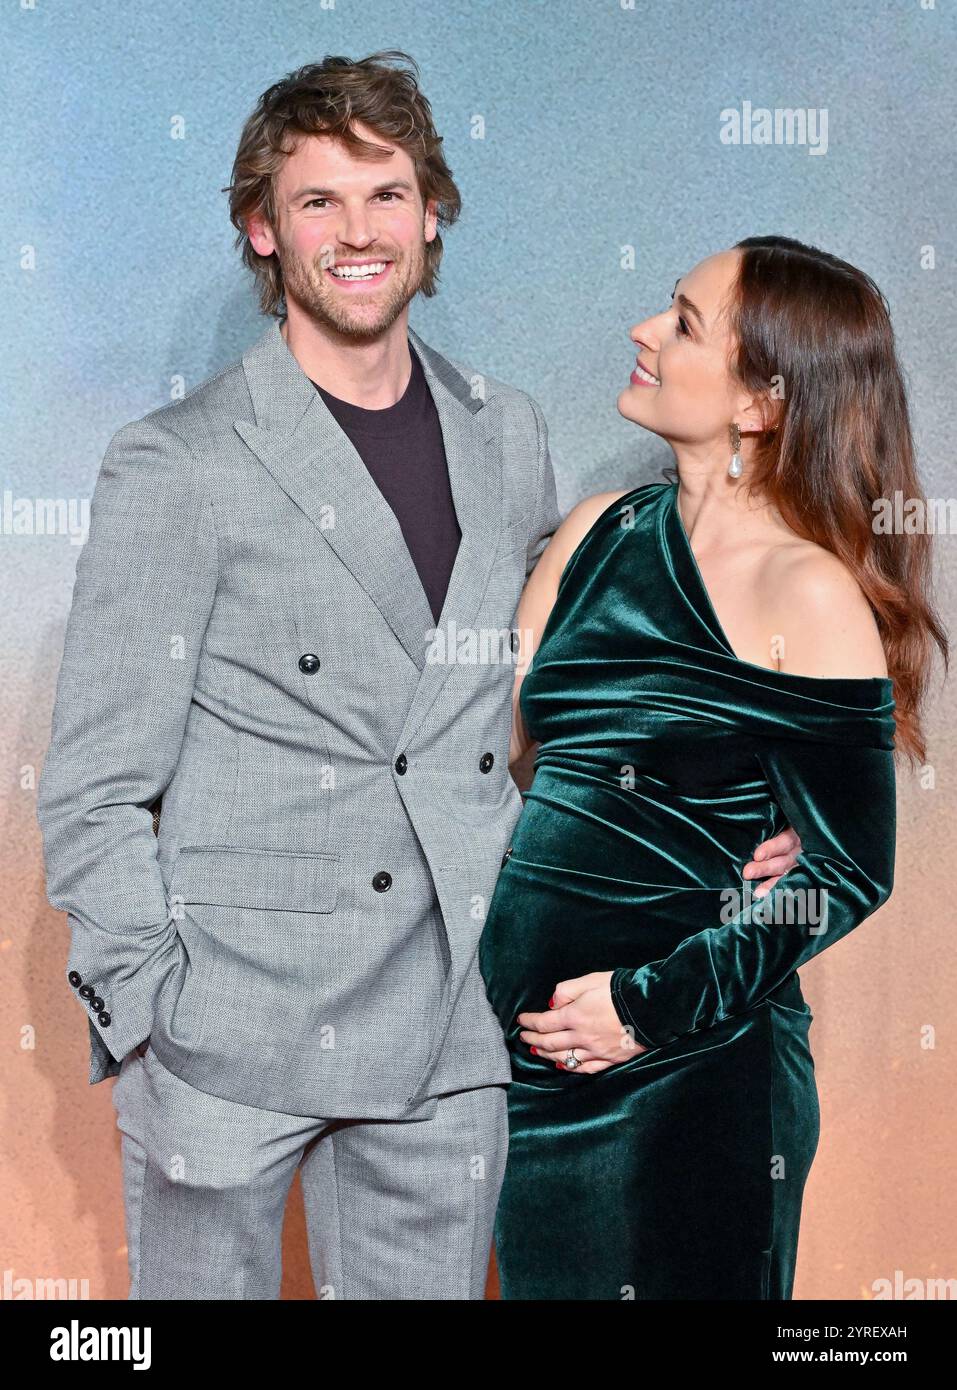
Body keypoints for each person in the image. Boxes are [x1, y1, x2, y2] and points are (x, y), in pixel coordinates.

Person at [35, 51, 794, 1300]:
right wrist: (153, 1009)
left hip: (445, 1029)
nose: (357, 232)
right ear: (261, 230)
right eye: (317, 201)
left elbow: (559, 707)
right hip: (229, 1030)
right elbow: (96, 784)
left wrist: (739, 822)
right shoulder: (176, 462)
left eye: (385, 194)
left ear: (432, 213)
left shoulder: (508, 433)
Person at [479, 236, 947, 1300]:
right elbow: (499, 762)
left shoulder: (808, 593)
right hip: (531, 1077)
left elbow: (845, 874)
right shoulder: (598, 533)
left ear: (762, 405)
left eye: (685, 322)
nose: (645, 332)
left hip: (693, 1079)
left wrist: (644, 1006)